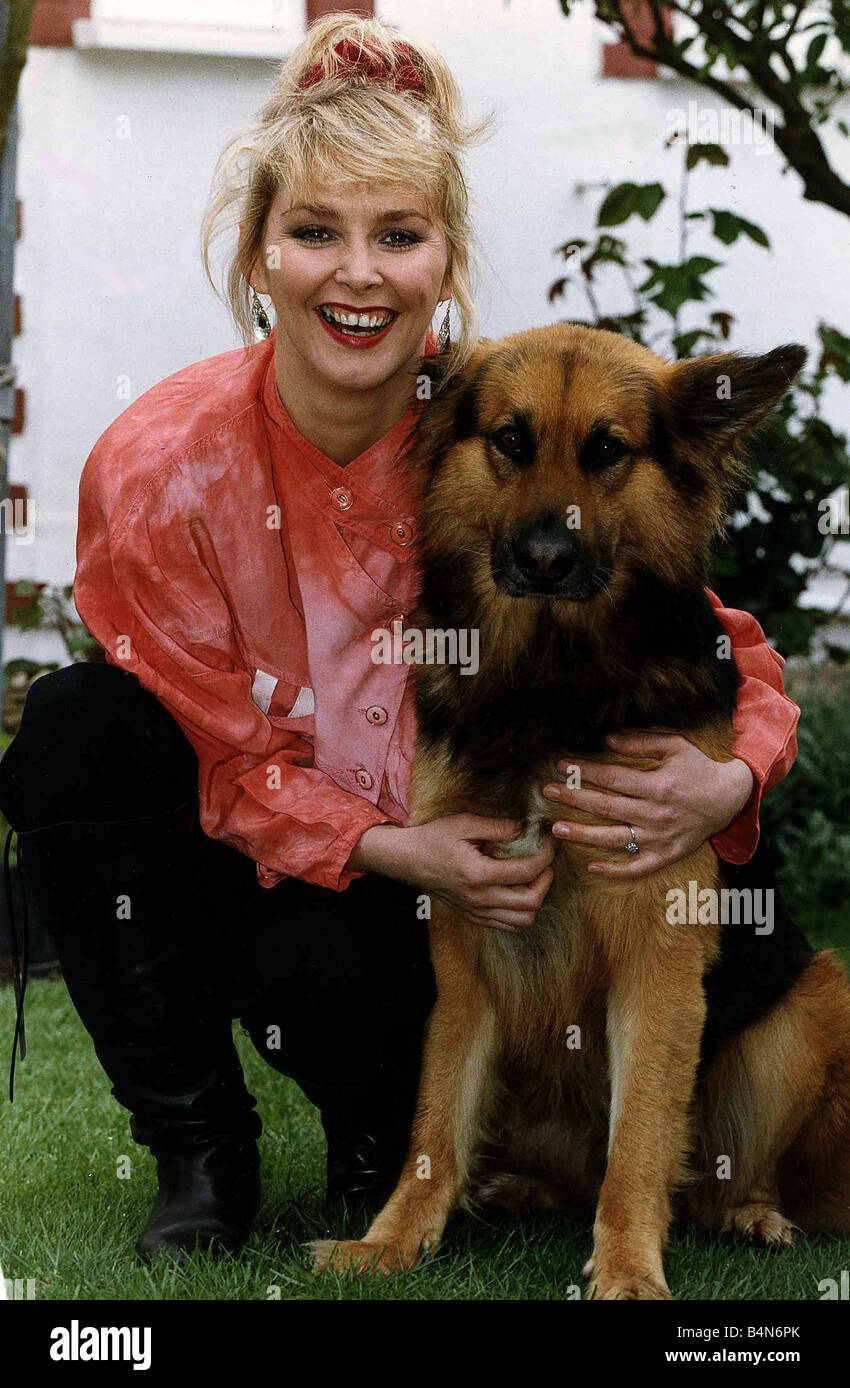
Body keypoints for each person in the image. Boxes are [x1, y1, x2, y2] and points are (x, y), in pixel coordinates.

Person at [0, 13, 799, 1260]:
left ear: (446, 258)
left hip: (446, 914)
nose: (357, 273)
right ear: (259, 252)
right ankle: (199, 1152)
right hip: (288, 875)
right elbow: (214, 749)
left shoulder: (492, 419)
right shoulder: (162, 462)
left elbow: (714, 642)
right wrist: (390, 842)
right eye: (315, 231)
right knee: (74, 727)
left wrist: (730, 773)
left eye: (398, 235)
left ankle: (403, 1144)